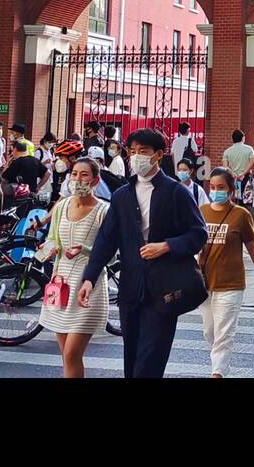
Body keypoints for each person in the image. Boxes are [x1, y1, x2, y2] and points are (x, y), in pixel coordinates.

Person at [78, 129, 208, 378]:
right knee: (132, 357)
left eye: (143, 152)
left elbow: (198, 234)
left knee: (150, 362)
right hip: (130, 288)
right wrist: (89, 277)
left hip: (163, 289)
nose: (136, 157)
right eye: (133, 152)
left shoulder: (175, 192)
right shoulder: (122, 195)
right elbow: (106, 239)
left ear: (158, 155)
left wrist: (167, 245)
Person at [38, 157, 110, 378]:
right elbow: (52, 239)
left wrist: (86, 249)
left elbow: (112, 253)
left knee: (71, 353)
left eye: (84, 174)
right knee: (66, 356)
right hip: (60, 285)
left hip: (88, 288)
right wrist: (49, 248)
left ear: (95, 179)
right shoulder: (61, 206)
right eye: (75, 174)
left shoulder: (104, 211)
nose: (78, 179)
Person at [198, 167, 254, 377]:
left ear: (231, 190)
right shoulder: (202, 211)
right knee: (210, 331)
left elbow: (252, 246)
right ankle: (219, 360)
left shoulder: (240, 214)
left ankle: (218, 372)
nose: (216, 191)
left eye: (221, 188)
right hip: (204, 281)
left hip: (231, 283)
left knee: (224, 332)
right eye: (213, 187)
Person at [222, 129, 254, 202]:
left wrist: (233, 174)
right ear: (243, 138)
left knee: (233, 200)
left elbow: (225, 166)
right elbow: (252, 163)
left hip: (232, 179)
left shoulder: (227, 151)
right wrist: (243, 173)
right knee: (247, 201)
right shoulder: (249, 149)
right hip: (246, 178)